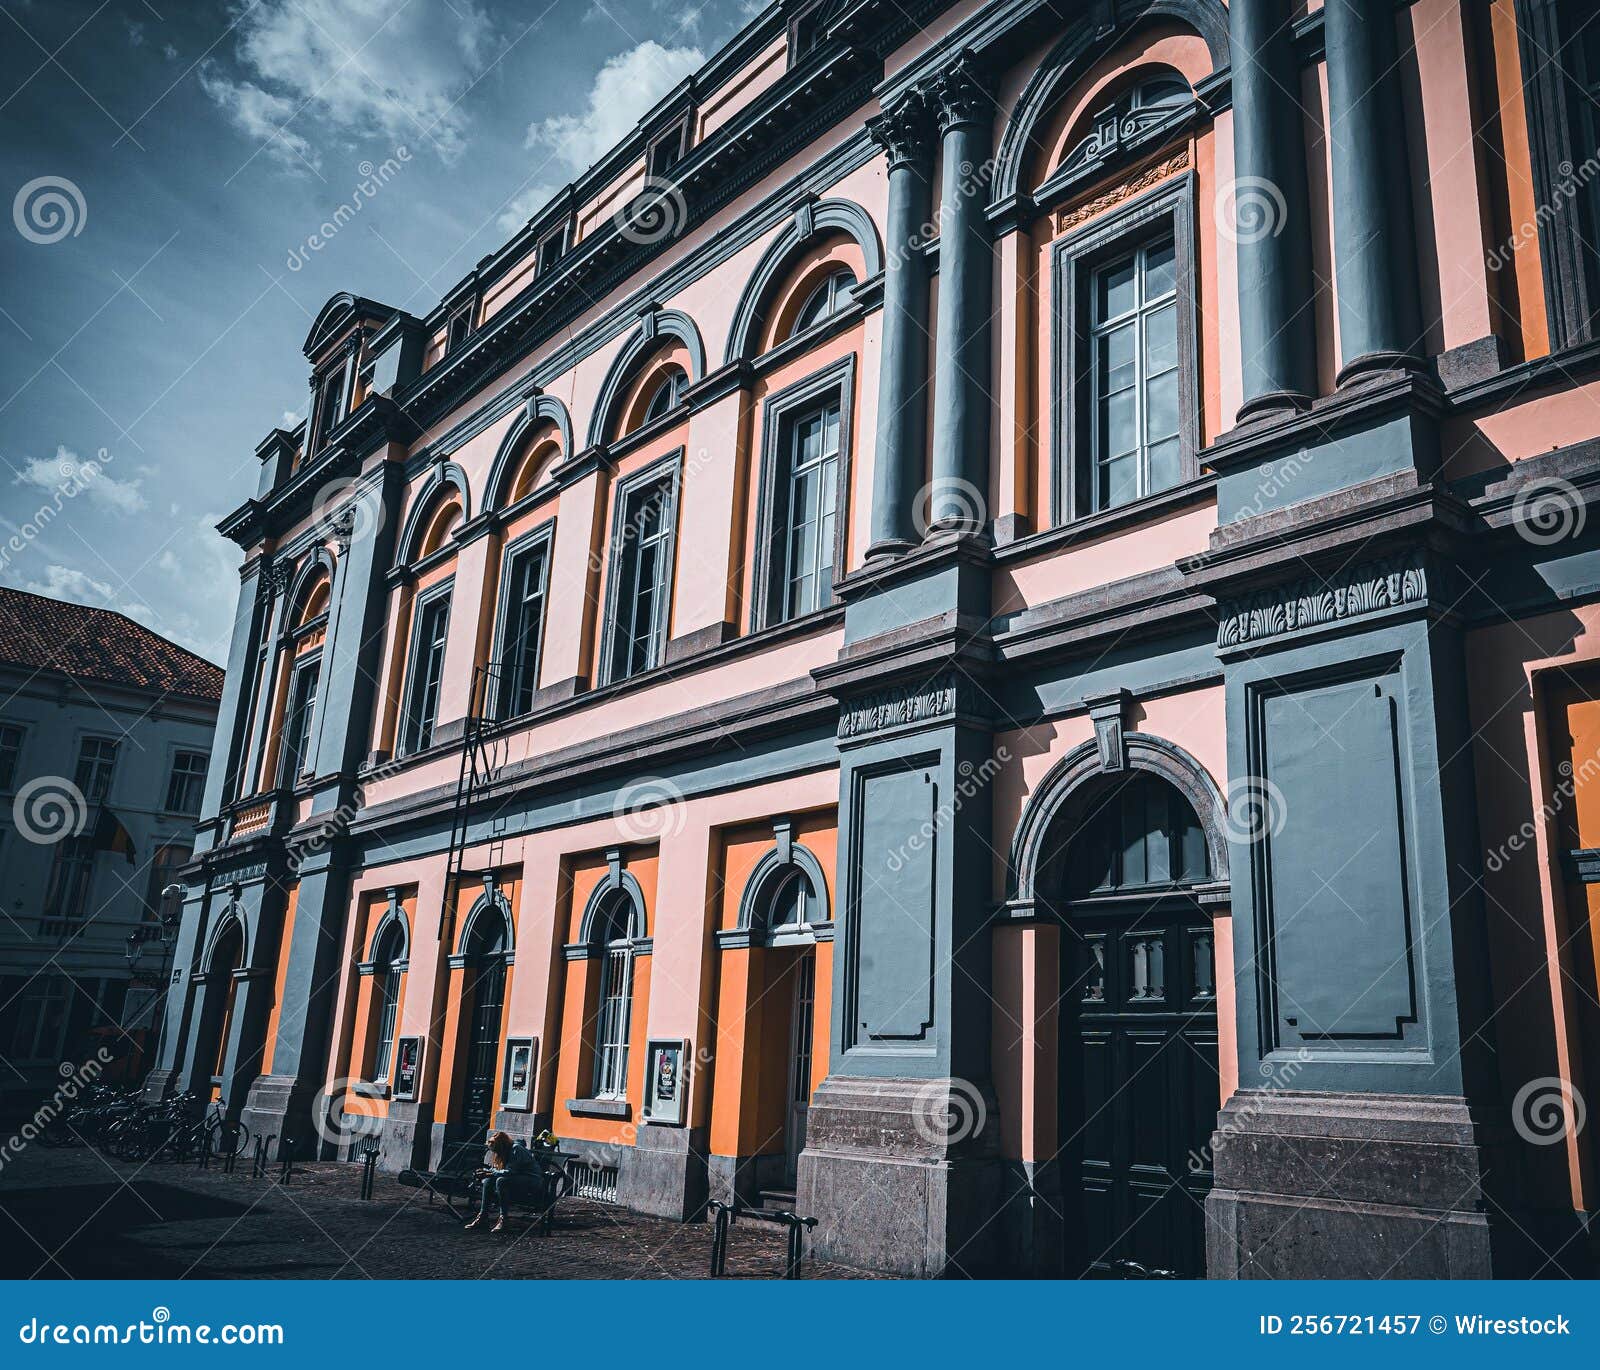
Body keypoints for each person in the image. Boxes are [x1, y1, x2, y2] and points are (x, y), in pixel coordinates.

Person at [464, 1131, 538, 1233]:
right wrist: (487, 1172)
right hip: (516, 1177)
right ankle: (483, 1216)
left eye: (496, 1151)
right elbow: (499, 1170)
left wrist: (490, 1173)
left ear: (501, 1146)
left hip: (531, 1179)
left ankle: (504, 1219)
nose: (496, 1153)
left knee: (501, 1181)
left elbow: (510, 1171)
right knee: (488, 1181)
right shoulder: (504, 1150)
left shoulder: (516, 1149)